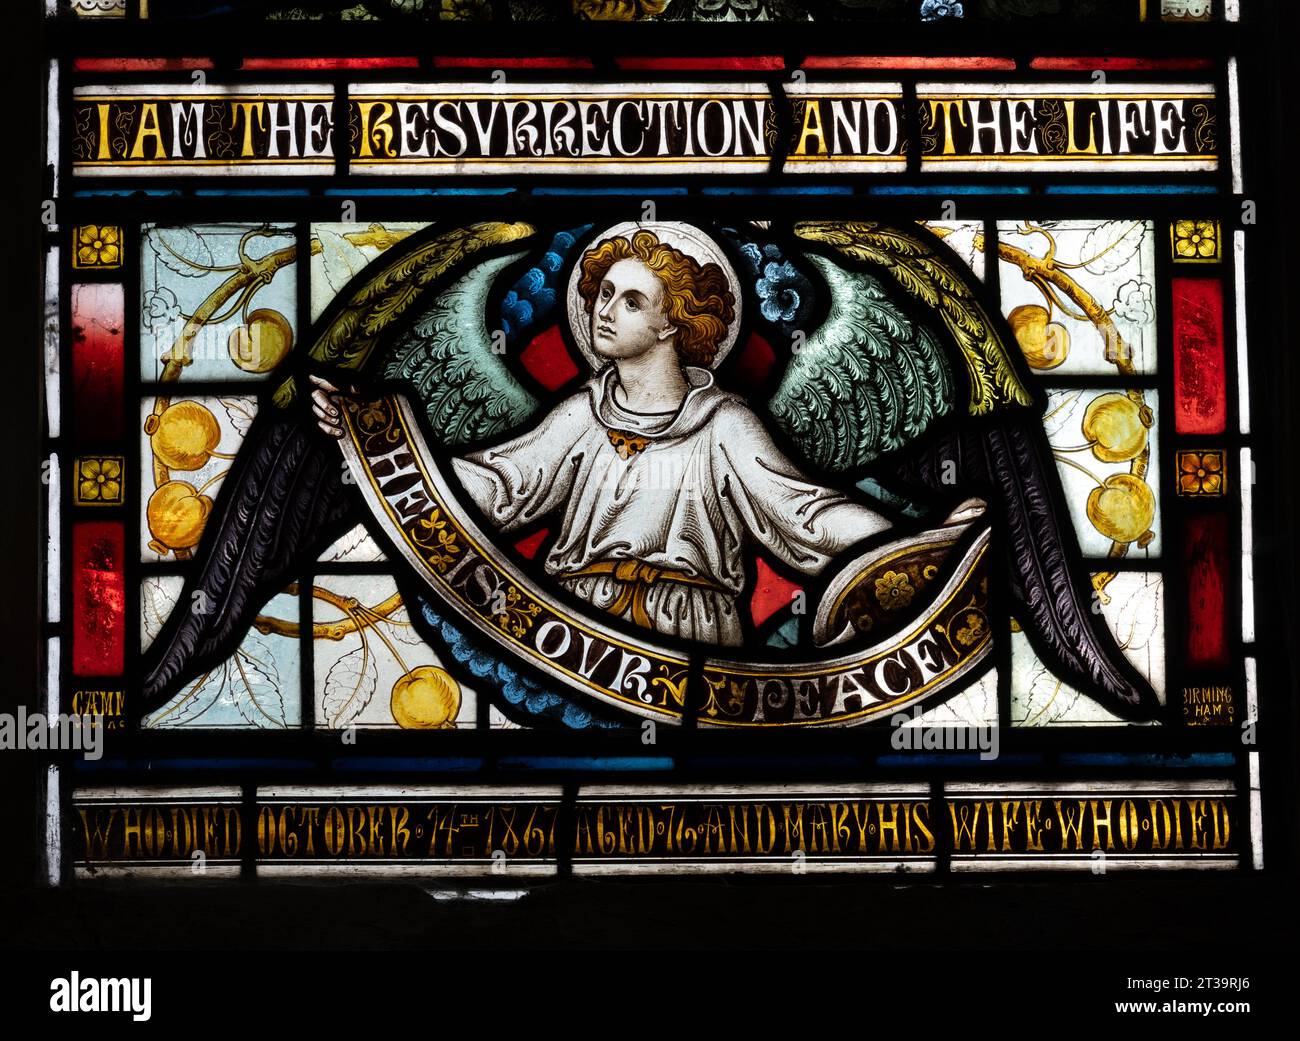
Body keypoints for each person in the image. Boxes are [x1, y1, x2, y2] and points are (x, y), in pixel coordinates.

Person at [317, 227, 892, 646]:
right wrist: (381, 444)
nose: (604, 311)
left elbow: (808, 516)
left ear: (673, 323)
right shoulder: (580, 416)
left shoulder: (724, 425)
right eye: (603, 294)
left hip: (690, 632)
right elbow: (497, 486)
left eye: (632, 300)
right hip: (573, 629)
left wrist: (904, 548)